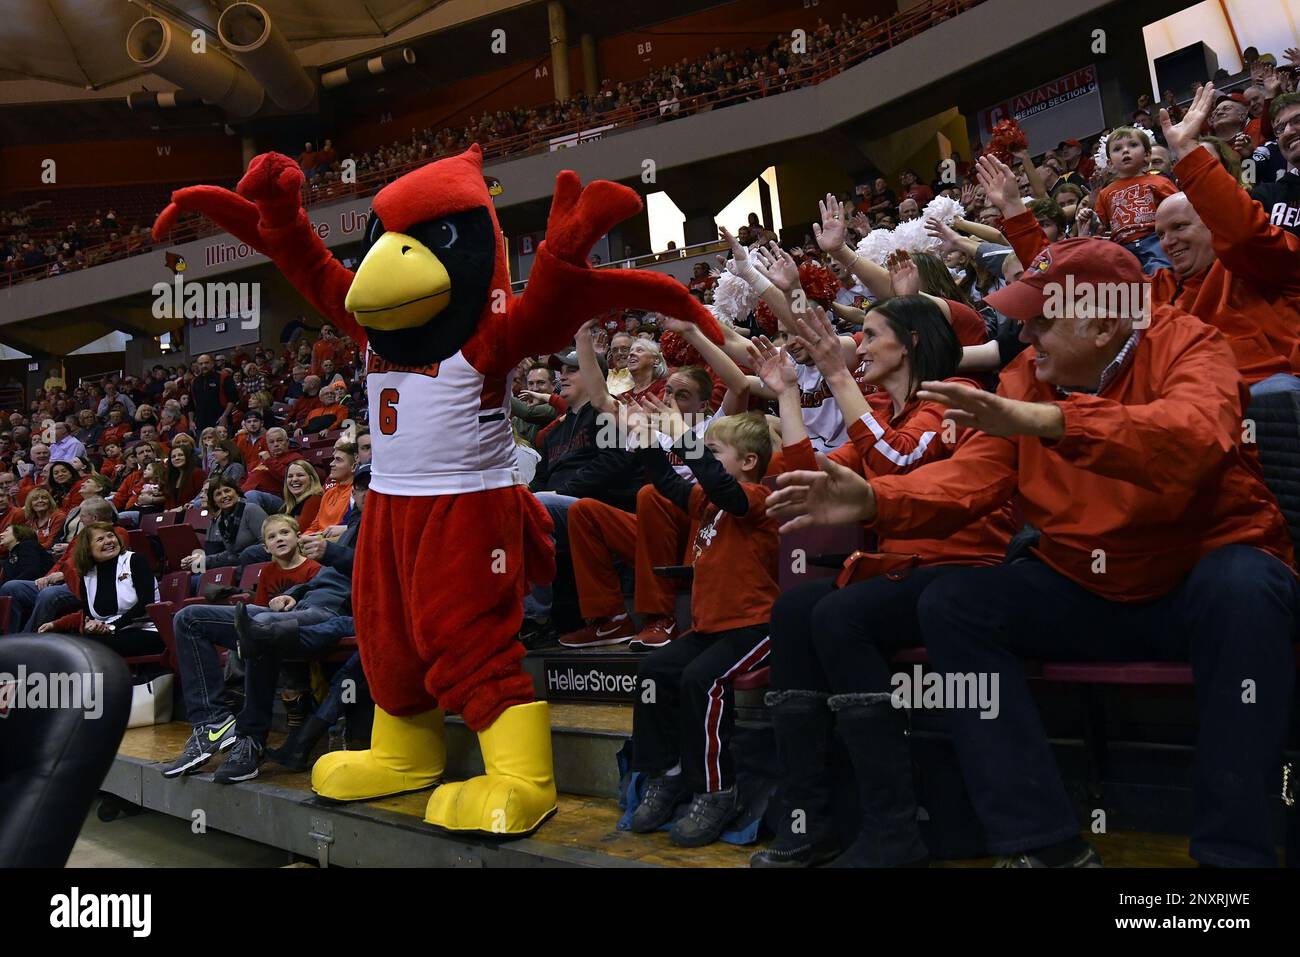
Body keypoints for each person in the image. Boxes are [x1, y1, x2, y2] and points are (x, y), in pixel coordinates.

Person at [767, 238, 1297, 868]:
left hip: (1198, 574)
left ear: (1102, 322)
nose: (1025, 333)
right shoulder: (1028, 377)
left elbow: (1196, 439)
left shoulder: (1192, 345)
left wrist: (1056, 422)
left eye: (1042, 320)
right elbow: (971, 481)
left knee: (1245, 588)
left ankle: (1234, 862)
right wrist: (875, 501)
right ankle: (1042, 844)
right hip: (1087, 584)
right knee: (954, 604)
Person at [627, 409, 778, 847]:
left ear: (748, 461)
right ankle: (668, 773)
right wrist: (648, 442)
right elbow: (671, 484)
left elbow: (724, 488)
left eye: (715, 452)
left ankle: (715, 789)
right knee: (654, 671)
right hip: (712, 628)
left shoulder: (758, 498)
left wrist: (687, 438)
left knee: (701, 679)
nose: (704, 460)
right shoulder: (708, 503)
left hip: (756, 626)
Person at [161, 510, 352, 785]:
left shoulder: (359, 541)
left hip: (331, 614)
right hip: (300, 606)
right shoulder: (345, 536)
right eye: (358, 488)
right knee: (188, 619)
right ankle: (211, 723)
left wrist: (333, 552)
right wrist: (291, 595)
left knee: (259, 626)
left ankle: (250, 739)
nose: (362, 494)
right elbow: (317, 584)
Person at [1151, 84, 1300, 395]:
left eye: (1179, 227)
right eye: (1160, 234)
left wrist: (1188, 150)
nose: (1167, 242)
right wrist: (1019, 216)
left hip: (1268, 395)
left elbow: (1243, 234)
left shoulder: (1261, 263)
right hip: (1195, 406)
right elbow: (1091, 306)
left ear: (1211, 219)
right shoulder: (1161, 288)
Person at [40, 522, 161, 657]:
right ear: (88, 548)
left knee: (82, 650)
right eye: (100, 539)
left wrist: (112, 627)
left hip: (145, 630)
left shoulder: (135, 561)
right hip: (110, 634)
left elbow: (145, 604)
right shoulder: (87, 575)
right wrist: (92, 626)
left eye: (111, 536)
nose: (109, 541)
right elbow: (89, 617)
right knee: (64, 646)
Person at [1086, 126, 1176, 274]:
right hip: (1120, 246)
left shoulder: (1160, 181)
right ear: (1109, 163)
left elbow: (1178, 208)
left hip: (1154, 238)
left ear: (1147, 155)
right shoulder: (1105, 193)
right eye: (1117, 149)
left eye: (1133, 145)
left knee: (1161, 271)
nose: (1125, 151)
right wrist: (1089, 217)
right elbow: (1100, 225)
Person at [186, 476, 269, 571]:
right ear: (213, 501)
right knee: (198, 575)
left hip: (258, 563)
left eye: (227, 490)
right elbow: (230, 554)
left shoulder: (251, 510)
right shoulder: (221, 521)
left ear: (237, 492)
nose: (224, 496)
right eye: (218, 494)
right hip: (240, 565)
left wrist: (245, 555)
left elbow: (268, 544)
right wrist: (200, 561)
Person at [241, 427, 297, 513]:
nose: (276, 444)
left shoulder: (294, 457)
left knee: (251, 495)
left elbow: (288, 477)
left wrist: (269, 461)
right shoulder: (260, 461)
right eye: (271, 442)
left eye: (279, 440)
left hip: (279, 499)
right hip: (249, 494)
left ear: (287, 442)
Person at [191, 353, 240, 432]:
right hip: (201, 423)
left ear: (212, 363)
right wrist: (191, 421)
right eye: (201, 364)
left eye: (206, 363)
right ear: (197, 365)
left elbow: (233, 399)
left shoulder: (223, 377)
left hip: (220, 420)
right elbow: (191, 403)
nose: (204, 366)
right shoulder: (194, 381)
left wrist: (224, 416)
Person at [22, 487, 65, 551]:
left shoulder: (58, 517)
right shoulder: (30, 522)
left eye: (44, 498)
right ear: (30, 504)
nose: (40, 501)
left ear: (50, 501)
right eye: (35, 499)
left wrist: (29, 550)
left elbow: (51, 543)